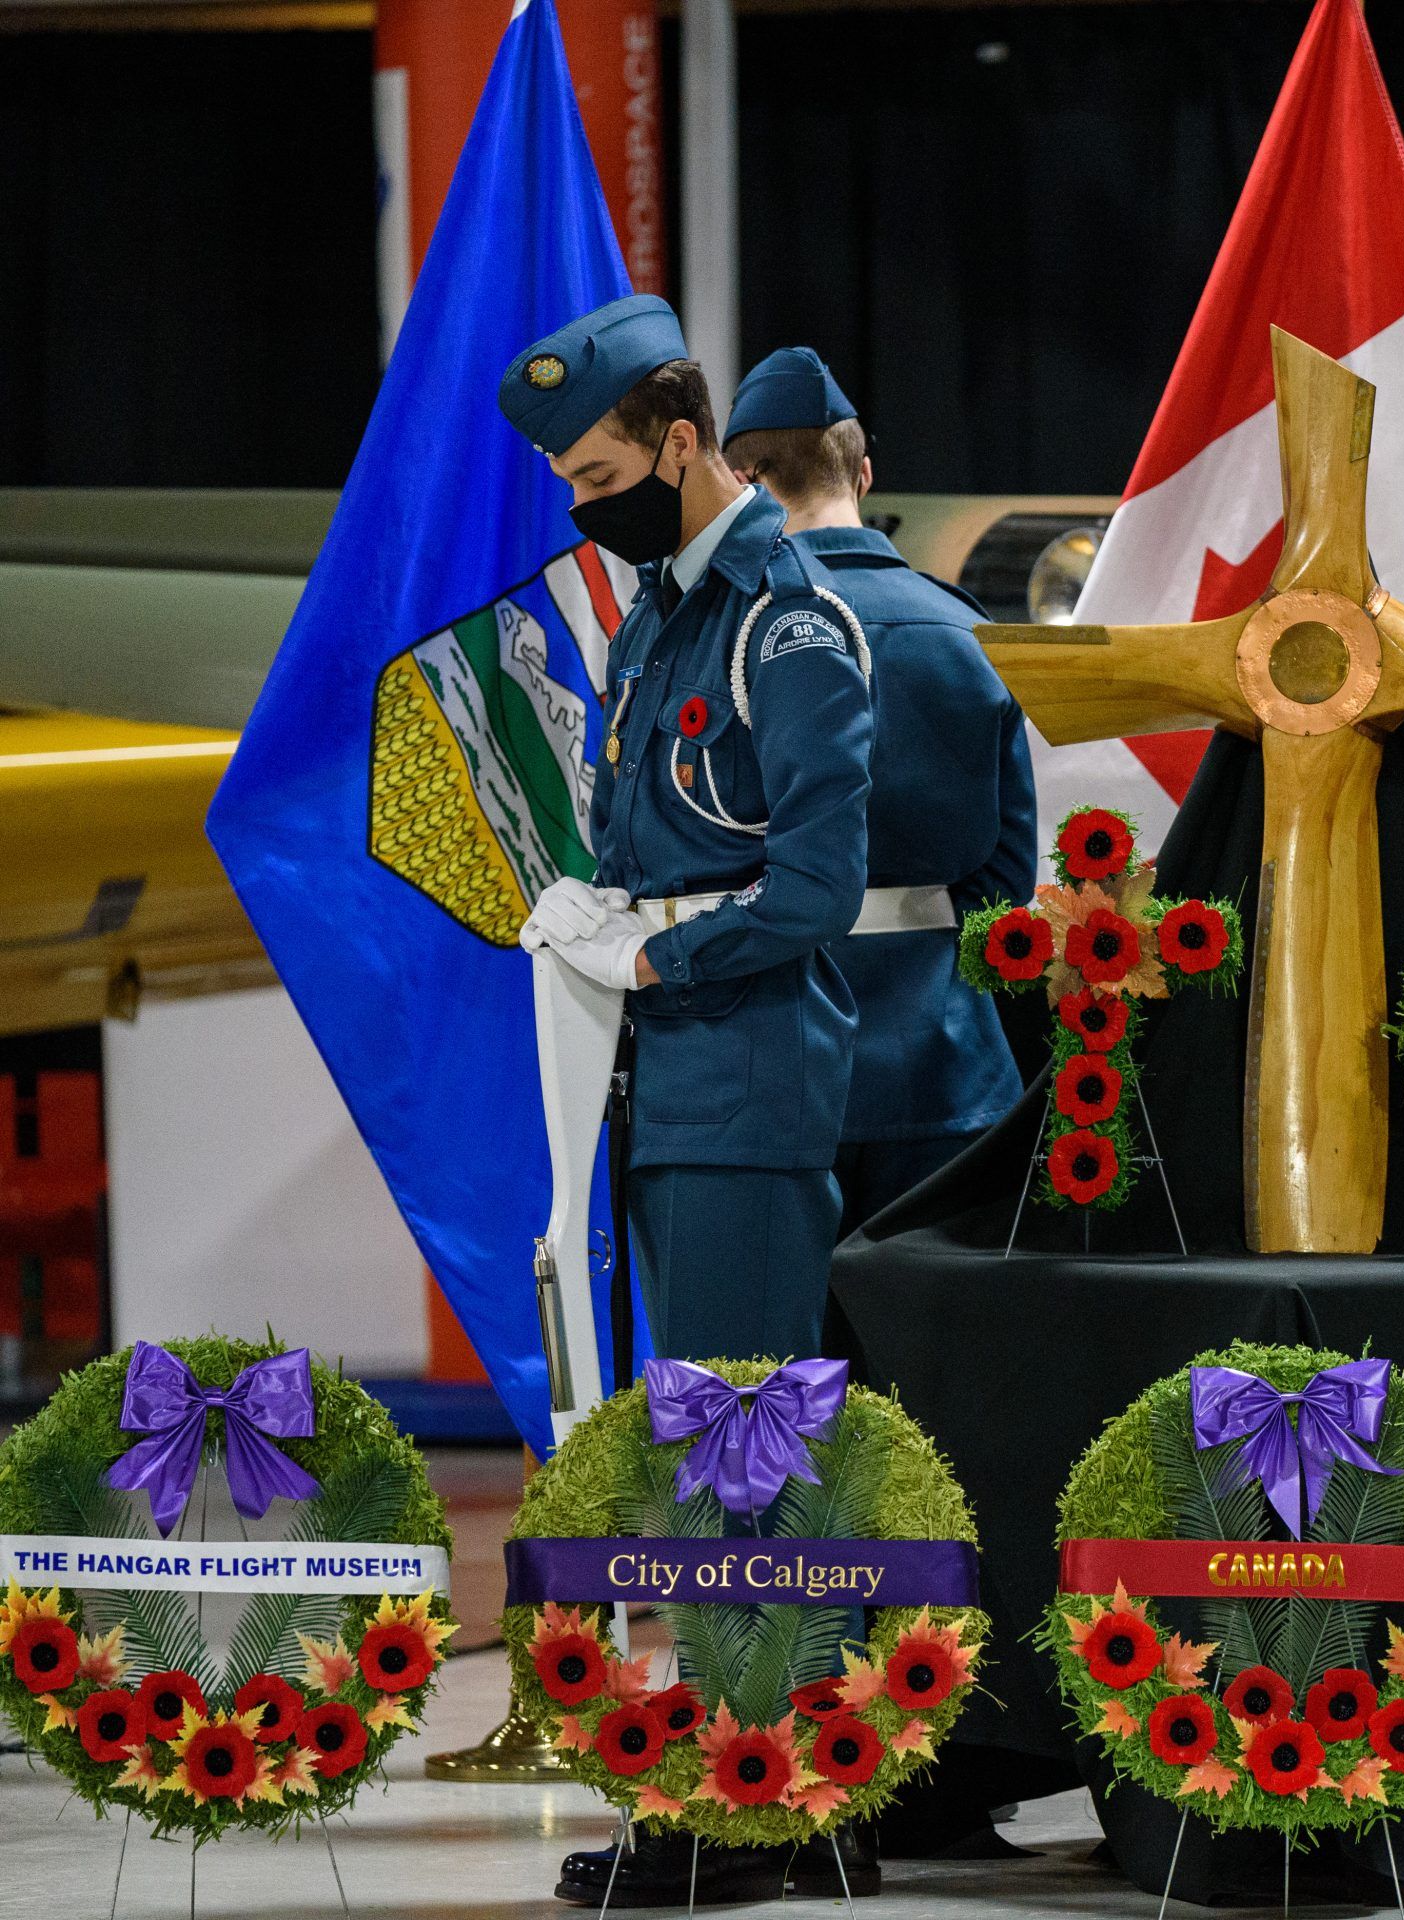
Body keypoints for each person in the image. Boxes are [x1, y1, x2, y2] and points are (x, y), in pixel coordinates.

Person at [498, 296, 876, 1909]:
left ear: (680, 441)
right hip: (670, 1091)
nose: (589, 508)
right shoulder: (659, 619)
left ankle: (750, 1808)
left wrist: (651, 966)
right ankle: (780, 1786)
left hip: (741, 1079)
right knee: (709, 1445)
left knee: (747, 1455)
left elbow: (815, 889)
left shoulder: (782, 624)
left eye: (601, 475)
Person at [722, 347, 1037, 1236]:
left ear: (743, 478)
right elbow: (1007, 875)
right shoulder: (969, 628)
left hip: (773, 1049)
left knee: (778, 1364)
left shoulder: (729, 631)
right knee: (934, 1356)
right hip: (947, 1059)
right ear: (864, 472)